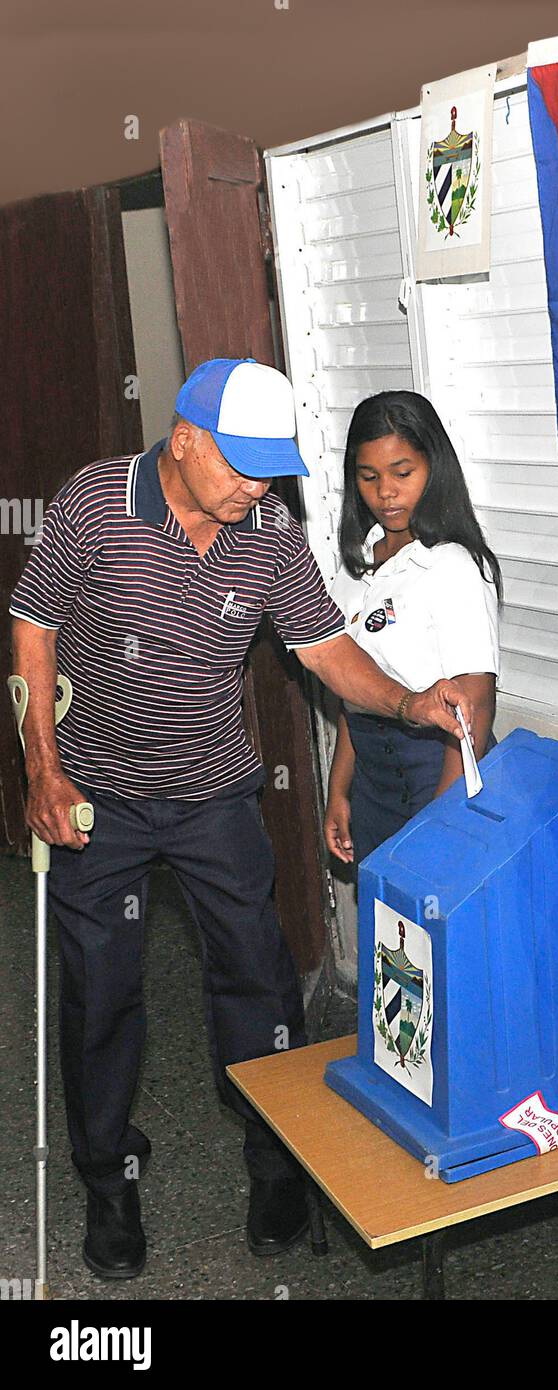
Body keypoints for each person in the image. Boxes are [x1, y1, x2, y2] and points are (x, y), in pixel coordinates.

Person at [9, 358, 474, 1280]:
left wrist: (407, 700)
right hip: (98, 792)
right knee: (100, 993)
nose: (258, 487)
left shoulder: (267, 530)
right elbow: (32, 625)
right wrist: (41, 772)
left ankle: (275, 1163)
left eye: (272, 469)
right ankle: (108, 1179)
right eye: (242, 465)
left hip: (216, 790)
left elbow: (324, 647)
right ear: (184, 439)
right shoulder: (94, 503)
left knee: (258, 983)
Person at [324, 391, 500, 868]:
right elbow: (355, 692)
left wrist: (440, 825)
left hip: (438, 778)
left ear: (433, 467)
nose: (386, 492)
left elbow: (475, 711)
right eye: (369, 477)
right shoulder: (355, 568)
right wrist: (338, 791)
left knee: (436, 928)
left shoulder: (452, 565)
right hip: (371, 785)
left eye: (403, 474)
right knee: (388, 936)